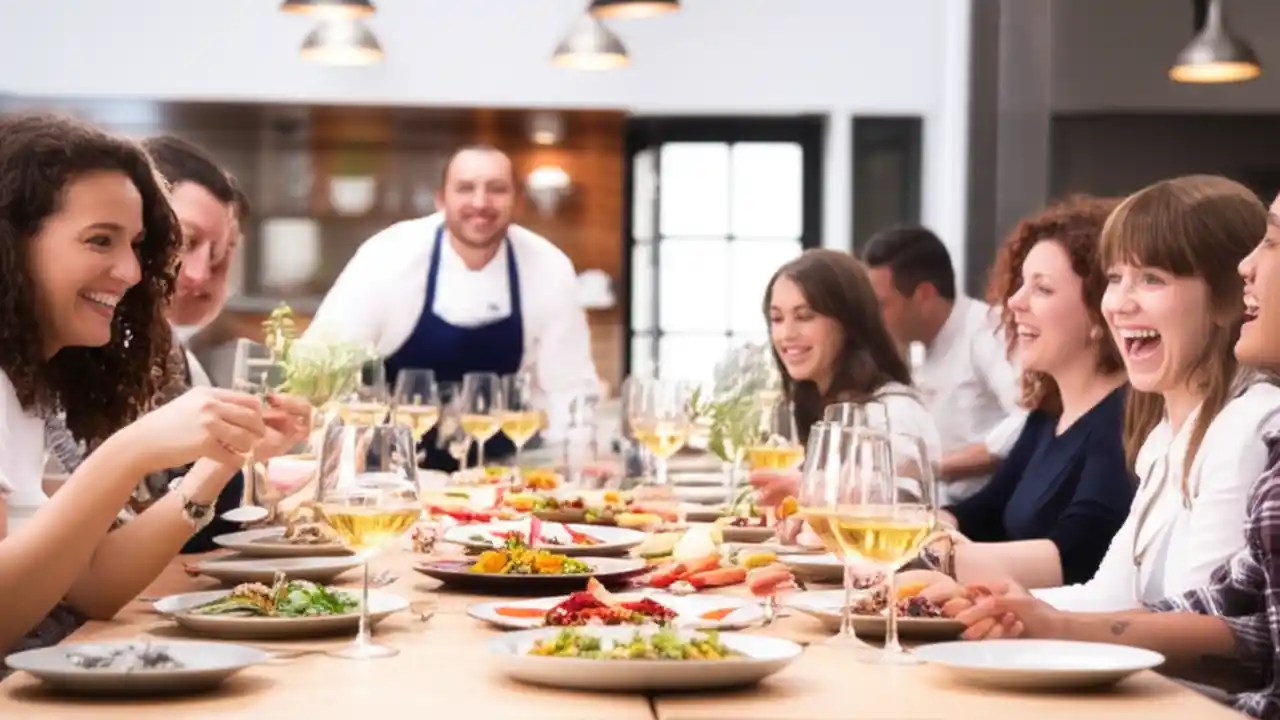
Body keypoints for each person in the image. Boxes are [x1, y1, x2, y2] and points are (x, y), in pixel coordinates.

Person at [941, 191, 1280, 720]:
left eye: (1152, 279)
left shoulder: (1250, 424)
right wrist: (1003, 607)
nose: (1119, 301)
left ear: (1225, 300)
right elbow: (1112, 595)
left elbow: (1206, 640)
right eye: (1115, 278)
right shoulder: (1164, 437)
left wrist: (1026, 611)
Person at [0, 112, 308, 653]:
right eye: (100, 240)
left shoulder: (27, 390)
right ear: (14, 243)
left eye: (136, 245)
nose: (133, 271)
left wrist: (222, 457)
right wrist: (129, 452)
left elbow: (91, 586)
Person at [306, 144, 598, 471]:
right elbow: (325, 365)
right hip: (387, 469)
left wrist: (577, 468)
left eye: (497, 189)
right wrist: (336, 467)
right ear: (441, 200)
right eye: (465, 188)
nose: (480, 203)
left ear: (516, 201)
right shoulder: (389, 256)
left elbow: (568, 387)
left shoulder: (548, 267)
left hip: (493, 474)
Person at [44, 134, 250, 551]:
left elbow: (97, 562)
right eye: (185, 242)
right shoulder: (43, 370)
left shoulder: (164, 352)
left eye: (222, 253)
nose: (200, 272)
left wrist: (234, 453)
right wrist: (132, 451)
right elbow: (88, 553)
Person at [937, 196, 1133, 588]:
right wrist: (930, 526)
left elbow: (1078, 556)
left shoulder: (1123, 419)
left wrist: (931, 556)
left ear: (1099, 311)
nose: (1014, 301)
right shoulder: (1049, 413)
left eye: (1042, 289)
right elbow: (986, 511)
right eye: (1021, 284)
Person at [863, 225, 1021, 503]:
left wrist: (935, 467)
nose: (873, 319)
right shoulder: (917, 346)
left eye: (881, 305)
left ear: (924, 295)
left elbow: (1028, 419)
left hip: (988, 514)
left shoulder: (986, 330)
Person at [761, 248, 940, 454]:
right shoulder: (803, 405)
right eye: (777, 319)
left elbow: (896, 473)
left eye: (804, 316)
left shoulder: (893, 414)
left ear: (848, 321)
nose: (787, 334)